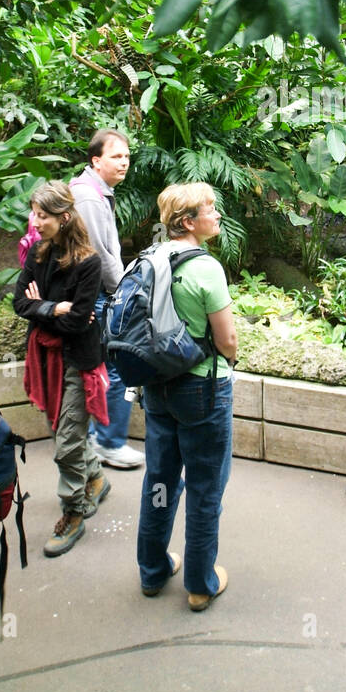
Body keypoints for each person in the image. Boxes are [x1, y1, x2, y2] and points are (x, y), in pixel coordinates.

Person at [136, 183, 237, 611]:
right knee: (204, 486)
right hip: (201, 388)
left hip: (156, 386)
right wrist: (232, 356)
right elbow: (227, 339)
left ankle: (154, 572)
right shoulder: (206, 268)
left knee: (159, 480)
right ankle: (199, 585)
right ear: (187, 222)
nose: (217, 215)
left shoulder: (147, 259)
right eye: (209, 209)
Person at [13, 181, 110, 557]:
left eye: (42, 215)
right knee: (60, 426)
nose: (34, 221)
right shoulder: (36, 253)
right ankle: (96, 478)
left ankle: (73, 512)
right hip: (46, 357)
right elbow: (19, 302)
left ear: (64, 217)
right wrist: (54, 308)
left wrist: (45, 310)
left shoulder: (89, 261)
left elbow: (81, 320)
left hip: (79, 359)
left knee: (66, 440)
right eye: (34, 213)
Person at [73, 129, 144, 470]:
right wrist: (123, 292)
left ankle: (93, 439)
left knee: (101, 367)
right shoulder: (88, 197)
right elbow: (98, 254)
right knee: (118, 367)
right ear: (96, 160)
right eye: (116, 156)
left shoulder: (95, 192)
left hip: (94, 296)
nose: (124, 162)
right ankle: (108, 442)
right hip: (99, 297)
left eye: (127, 156)